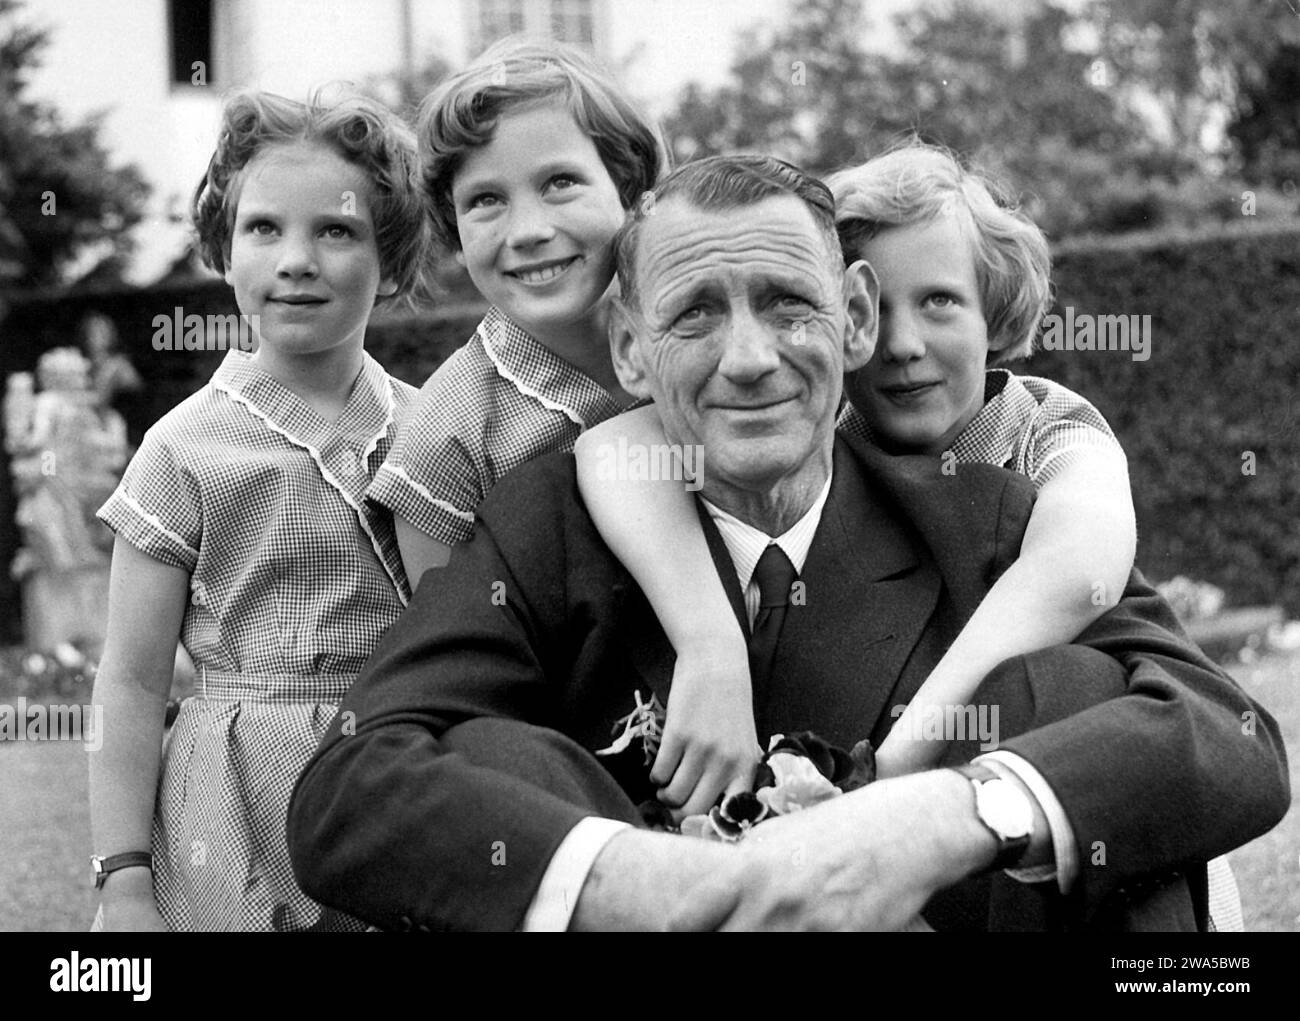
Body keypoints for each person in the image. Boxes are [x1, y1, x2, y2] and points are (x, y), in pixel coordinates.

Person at [287, 155, 1289, 931]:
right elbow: (348, 784)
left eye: (785, 303)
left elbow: (1232, 741)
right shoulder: (555, 521)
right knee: (489, 757)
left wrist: (948, 817)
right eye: (695, 316)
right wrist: (641, 880)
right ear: (632, 351)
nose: (751, 359)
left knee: (1075, 697)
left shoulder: (979, 511)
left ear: (851, 318)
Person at [571, 142, 1134, 809]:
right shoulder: (828, 435)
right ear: (849, 320)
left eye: (940, 302)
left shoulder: (1047, 426)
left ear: (996, 311)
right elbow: (619, 447)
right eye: (879, 311)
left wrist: (891, 765)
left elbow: (1077, 565)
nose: (901, 344)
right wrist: (710, 642)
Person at [89, 88, 428, 931]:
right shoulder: (182, 447)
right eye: (265, 228)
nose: (297, 258)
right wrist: (122, 882)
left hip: (400, 776)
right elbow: (130, 681)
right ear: (225, 250)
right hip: (231, 806)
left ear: (389, 256)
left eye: (338, 230)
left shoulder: (436, 432)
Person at [366, 37, 664, 586]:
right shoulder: (444, 441)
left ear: (628, 189)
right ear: (455, 232)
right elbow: (457, 651)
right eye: (486, 200)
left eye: (560, 183)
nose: (528, 232)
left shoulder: (698, 343)